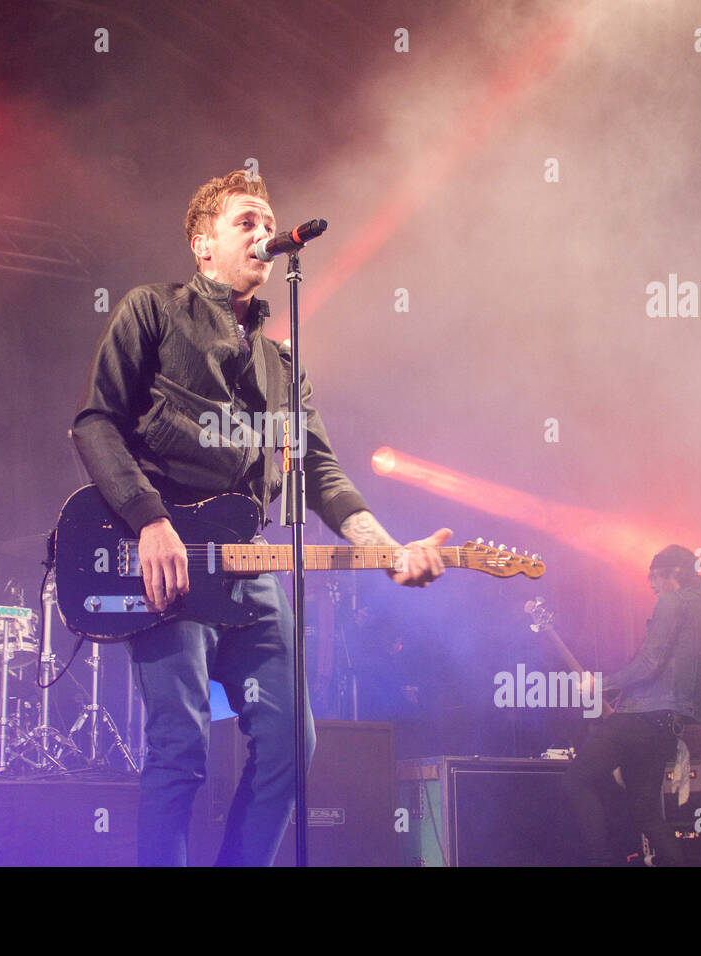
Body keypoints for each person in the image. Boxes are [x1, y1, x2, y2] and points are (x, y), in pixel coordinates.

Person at [71, 170, 451, 866]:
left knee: (289, 744)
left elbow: (319, 472)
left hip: (249, 564)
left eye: (266, 221)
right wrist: (149, 520)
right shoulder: (151, 310)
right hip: (166, 553)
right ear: (202, 243)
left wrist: (387, 548)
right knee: (182, 744)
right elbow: (96, 422)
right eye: (245, 220)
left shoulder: (282, 364)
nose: (262, 234)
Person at [563, 544, 701, 866]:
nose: (651, 585)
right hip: (667, 724)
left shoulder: (672, 602)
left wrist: (600, 684)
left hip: (641, 717)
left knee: (577, 779)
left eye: (655, 577)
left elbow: (650, 662)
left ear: (674, 573)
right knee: (645, 813)